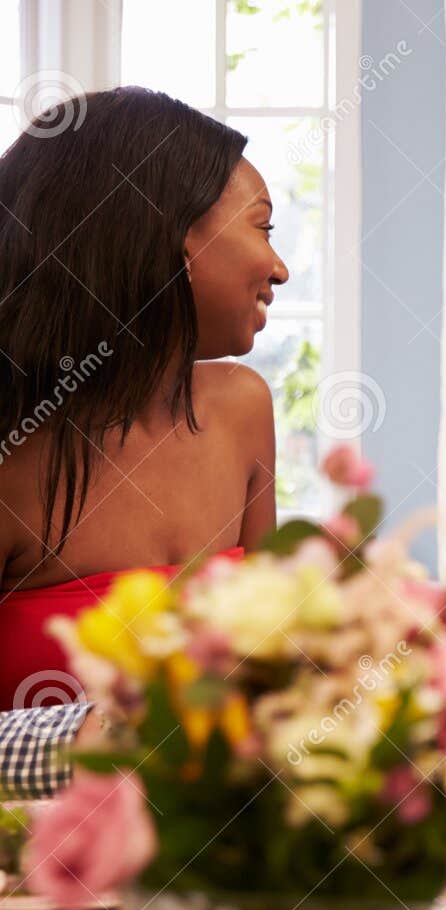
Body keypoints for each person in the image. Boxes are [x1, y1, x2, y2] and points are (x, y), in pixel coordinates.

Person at [0, 88, 283, 707]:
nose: (279, 267)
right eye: (262, 227)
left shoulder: (241, 409)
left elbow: (274, 677)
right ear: (173, 240)